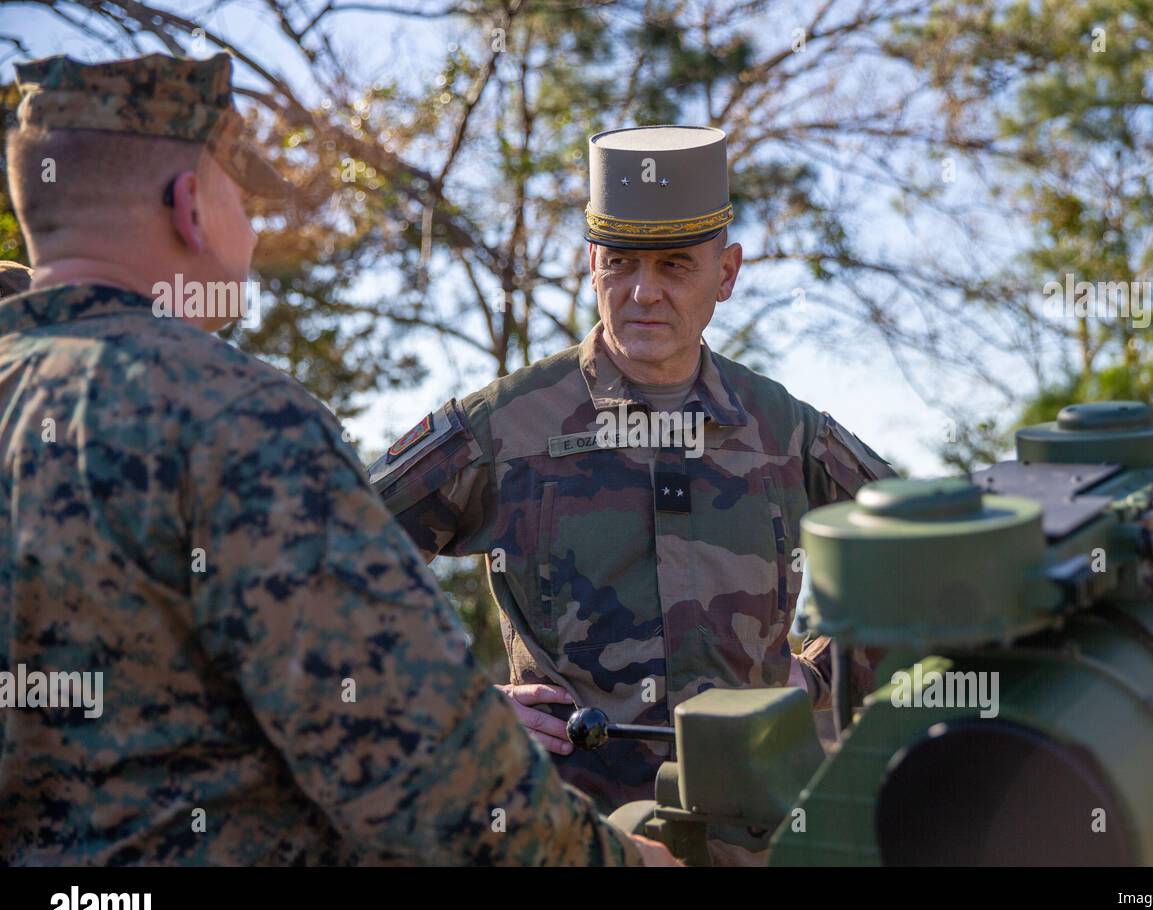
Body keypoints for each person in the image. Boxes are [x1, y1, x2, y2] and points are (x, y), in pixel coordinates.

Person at [0, 51, 672, 866]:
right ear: (191, 208)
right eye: (244, 202)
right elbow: (422, 778)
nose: (254, 233)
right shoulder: (238, 420)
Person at [369, 125, 895, 816]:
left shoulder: (782, 428)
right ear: (592, 264)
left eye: (675, 265)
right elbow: (314, 565)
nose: (643, 292)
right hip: (573, 831)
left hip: (757, 826)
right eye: (620, 263)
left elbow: (927, 552)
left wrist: (823, 677)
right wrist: (454, 704)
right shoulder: (506, 426)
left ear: (727, 273)